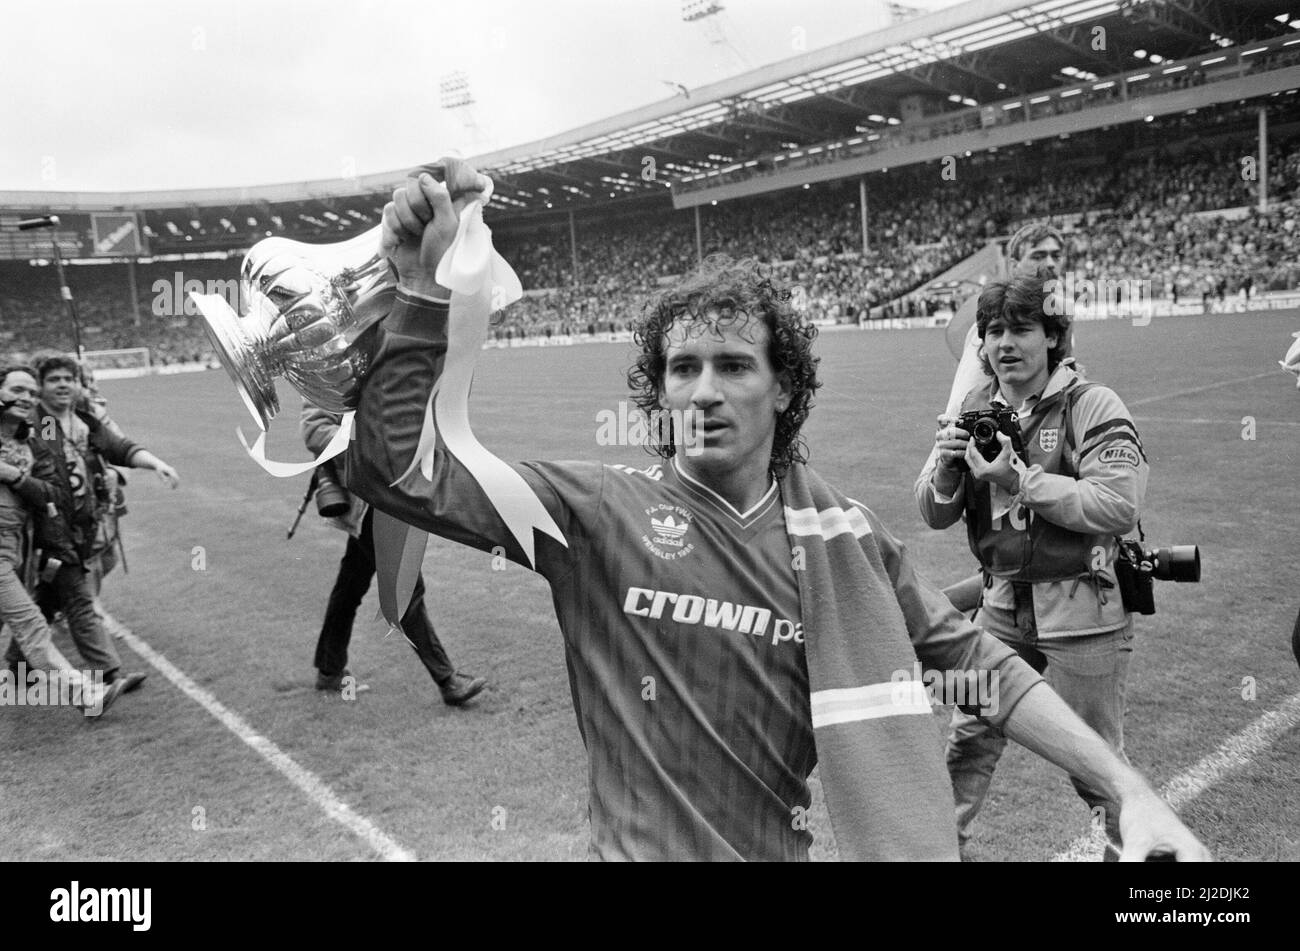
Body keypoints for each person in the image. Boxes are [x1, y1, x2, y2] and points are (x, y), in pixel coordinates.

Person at [322, 162, 1206, 861]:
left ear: (784, 387)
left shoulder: (844, 541)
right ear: (657, 389)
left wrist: (1128, 788)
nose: (704, 389)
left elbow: (984, 668)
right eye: (682, 366)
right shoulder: (591, 512)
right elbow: (396, 468)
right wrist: (423, 288)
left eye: (735, 365)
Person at [916, 272, 1147, 859]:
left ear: (1053, 337)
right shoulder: (975, 409)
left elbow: (1117, 505)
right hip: (999, 609)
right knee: (968, 743)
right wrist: (946, 471)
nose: (1004, 343)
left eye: (1021, 328)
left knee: (1095, 763)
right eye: (993, 331)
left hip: (1082, 612)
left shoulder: (1091, 404)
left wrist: (1020, 479)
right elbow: (934, 514)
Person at [4, 354, 179, 692]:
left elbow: (119, 448)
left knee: (52, 595)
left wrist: (154, 464)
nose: (63, 385)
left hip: (82, 524)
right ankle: (108, 675)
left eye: (69, 379)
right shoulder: (33, 426)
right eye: (54, 380)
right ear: (40, 387)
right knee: (77, 596)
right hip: (47, 528)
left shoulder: (85, 420)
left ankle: (18, 668)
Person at [300, 400, 487, 705]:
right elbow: (314, 431)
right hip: (368, 499)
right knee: (406, 587)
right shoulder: (326, 379)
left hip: (390, 495)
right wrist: (369, 441)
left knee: (350, 587)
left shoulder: (367, 364)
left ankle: (329, 670)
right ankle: (447, 680)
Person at [939, 222, 1067, 613]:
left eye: (1055, 256)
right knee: (1004, 547)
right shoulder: (996, 317)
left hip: (1030, 443)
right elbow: (965, 381)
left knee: (1016, 552)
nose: (1049, 264)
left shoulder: (1055, 310)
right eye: (1037, 255)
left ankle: (928, 610)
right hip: (976, 434)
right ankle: (924, 610)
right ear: (1013, 263)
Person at [0, 365, 126, 717]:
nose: (25, 398)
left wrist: (13, 476)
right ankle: (86, 696)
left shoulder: (31, 442)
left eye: (30, 392)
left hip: (17, 546)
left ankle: (23, 678)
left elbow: (51, 492)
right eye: (16, 390)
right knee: (31, 624)